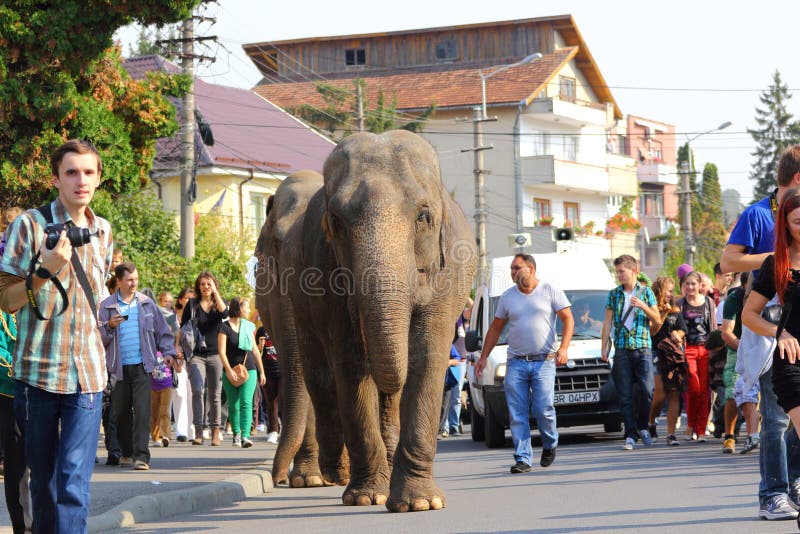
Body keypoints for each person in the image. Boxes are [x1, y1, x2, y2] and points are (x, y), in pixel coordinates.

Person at [0, 139, 114, 532]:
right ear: (56, 178)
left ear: (98, 179)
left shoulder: (104, 231)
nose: (80, 180)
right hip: (38, 375)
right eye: (71, 172)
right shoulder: (28, 226)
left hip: (88, 376)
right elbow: (6, 300)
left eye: (88, 172)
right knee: (45, 484)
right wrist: (45, 270)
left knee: (73, 481)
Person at [720, 145, 800, 520]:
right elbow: (728, 262)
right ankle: (772, 492)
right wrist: (777, 258)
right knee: (777, 414)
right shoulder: (758, 214)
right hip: (768, 319)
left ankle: (794, 483)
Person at [474, 254, 573, 473]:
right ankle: (523, 458)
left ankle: (550, 443)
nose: (513, 273)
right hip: (516, 362)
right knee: (517, 412)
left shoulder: (549, 289)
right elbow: (496, 328)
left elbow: (568, 318)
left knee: (543, 408)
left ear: (531, 268)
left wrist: (564, 348)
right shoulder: (508, 296)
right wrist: (482, 358)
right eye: (511, 269)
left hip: (544, 361)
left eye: (517, 268)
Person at [743, 187, 800, 523]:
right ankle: (774, 493)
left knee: (792, 432)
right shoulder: (775, 264)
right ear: (786, 224)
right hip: (790, 362)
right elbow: (749, 315)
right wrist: (781, 333)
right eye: (797, 221)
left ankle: (792, 479)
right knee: (780, 423)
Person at [98, 262, 177, 470]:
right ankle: (127, 452)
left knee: (142, 411)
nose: (134, 283)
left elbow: (163, 332)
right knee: (121, 412)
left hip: (143, 366)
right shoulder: (106, 306)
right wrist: (109, 326)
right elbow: (98, 338)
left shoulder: (147, 304)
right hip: (118, 368)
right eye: (130, 280)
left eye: (136, 279)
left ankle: (142, 457)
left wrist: (168, 353)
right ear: (119, 281)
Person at [601, 255, 660, 451]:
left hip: (642, 347)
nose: (619, 275)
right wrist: (604, 346)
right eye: (617, 272)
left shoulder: (646, 292)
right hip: (622, 348)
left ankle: (643, 426)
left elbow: (657, 320)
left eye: (622, 271)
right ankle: (630, 434)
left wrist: (643, 306)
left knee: (647, 390)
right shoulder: (614, 294)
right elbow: (607, 322)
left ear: (633, 271)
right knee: (624, 395)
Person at [177, 272, 228, 446]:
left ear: (214, 285)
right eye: (203, 284)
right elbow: (182, 328)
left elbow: (225, 313)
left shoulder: (219, 304)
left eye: (209, 284)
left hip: (215, 354)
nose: (206, 287)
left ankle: (215, 430)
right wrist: (177, 347)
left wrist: (215, 293)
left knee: (215, 393)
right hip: (195, 354)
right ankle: (198, 431)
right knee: (198, 391)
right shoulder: (192, 304)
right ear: (198, 286)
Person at [720, 272, 760, 454]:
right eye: (749, 290)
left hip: (762, 347)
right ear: (744, 286)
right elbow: (726, 332)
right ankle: (729, 436)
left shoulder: (766, 295)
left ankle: (754, 435)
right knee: (732, 392)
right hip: (738, 348)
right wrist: (743, 349)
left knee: (755, 394)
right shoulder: (733, 299)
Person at [218, 297, 266, 447]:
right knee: (234, 404)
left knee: (246, 402)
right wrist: (228, 370)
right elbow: (221, 352)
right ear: (238, 308)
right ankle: (236, 434)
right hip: (229, 370)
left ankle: (245, 436)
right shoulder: (224, 326)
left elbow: (255, 351)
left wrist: (262, 372)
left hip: (249, 369)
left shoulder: (249, 326)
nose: (249, 310)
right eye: (246, 307)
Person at [675, 271, 717, 442]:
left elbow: (713, 328)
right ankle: (691, 425)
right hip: (688, 350)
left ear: (700, 285)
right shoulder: (680, 303)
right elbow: (675, 326)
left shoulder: (708, 302)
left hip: (705, 349)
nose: (690, 287)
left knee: (704, 391)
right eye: (687, 284)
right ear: (683, 286)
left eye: (693, 284)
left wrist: (715, 351)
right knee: (693, 388)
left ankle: (701, 429)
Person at [646, 276, 687, 446]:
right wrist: (663, 313)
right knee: (660, 394)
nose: (671, 294)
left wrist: (678, 334)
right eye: (668, 291)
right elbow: (653, 331)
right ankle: (651, 422)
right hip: (656, 352)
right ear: (659, 291)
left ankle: (671, 435)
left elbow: (683, 328)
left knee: (674, 392)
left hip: (673, 354)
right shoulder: (652, 308)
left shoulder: (676, 309)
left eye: (672, 291)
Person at [171, 287, 194, 442]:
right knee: (179, 393)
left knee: (192, 394)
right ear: (180, 300)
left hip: (193, 359)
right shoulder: (171, 318)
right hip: (175, 360)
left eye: (191, 298)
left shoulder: (195, 317)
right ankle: (180, 430)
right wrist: (173, 351)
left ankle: (192, 429)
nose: (188, 301)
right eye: (186, 298)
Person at [256, 323, 280, 444]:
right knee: (271, 402)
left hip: (282, 370)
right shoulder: (261, 330)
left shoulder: (281, 327)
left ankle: (284, 427)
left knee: (285, 401)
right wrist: (260, 346)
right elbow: (257, 353)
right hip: (268, 371)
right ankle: (273, 430)